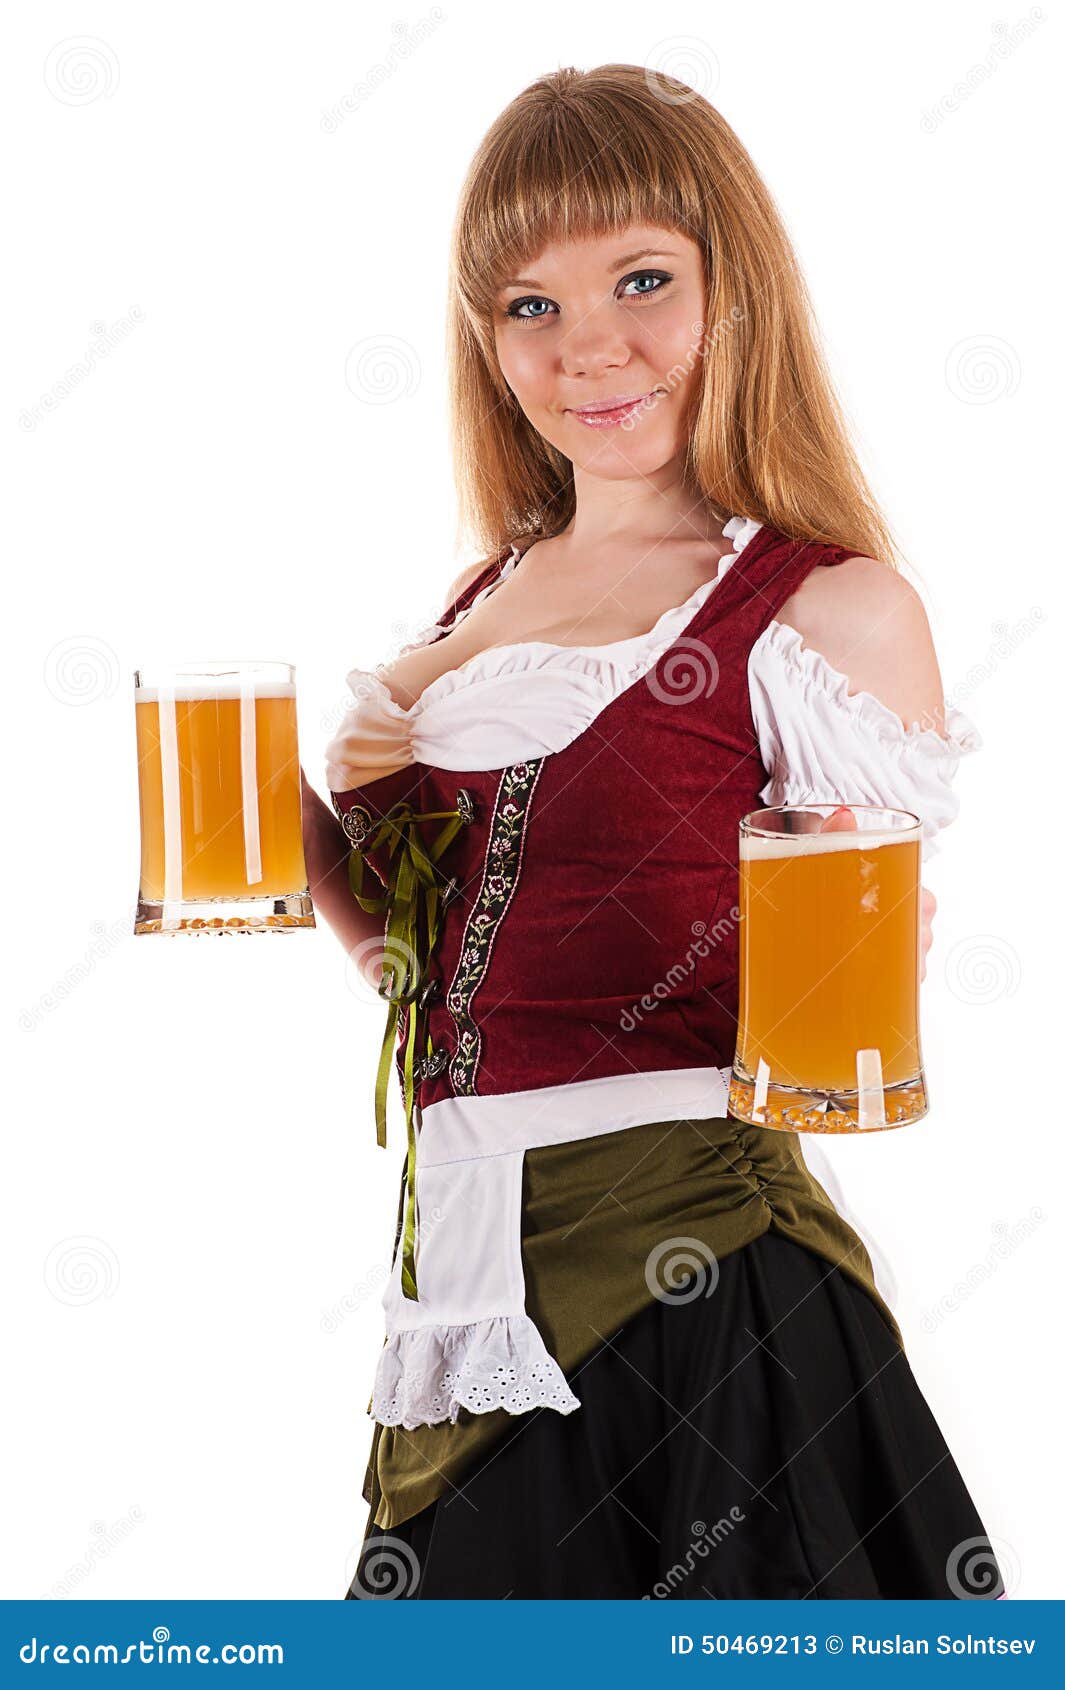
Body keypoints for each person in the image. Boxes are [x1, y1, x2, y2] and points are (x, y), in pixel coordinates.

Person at [300, 64, 1003, 1600]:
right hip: (460, 1292)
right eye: (526, 305)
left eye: (640, 278)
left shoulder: (820, 607)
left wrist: (858, 950)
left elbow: (844, 1004)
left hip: (698, 1293)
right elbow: (425, 960)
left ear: (730, 287)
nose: (586, 346)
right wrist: (314, 859)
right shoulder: (476, 600)